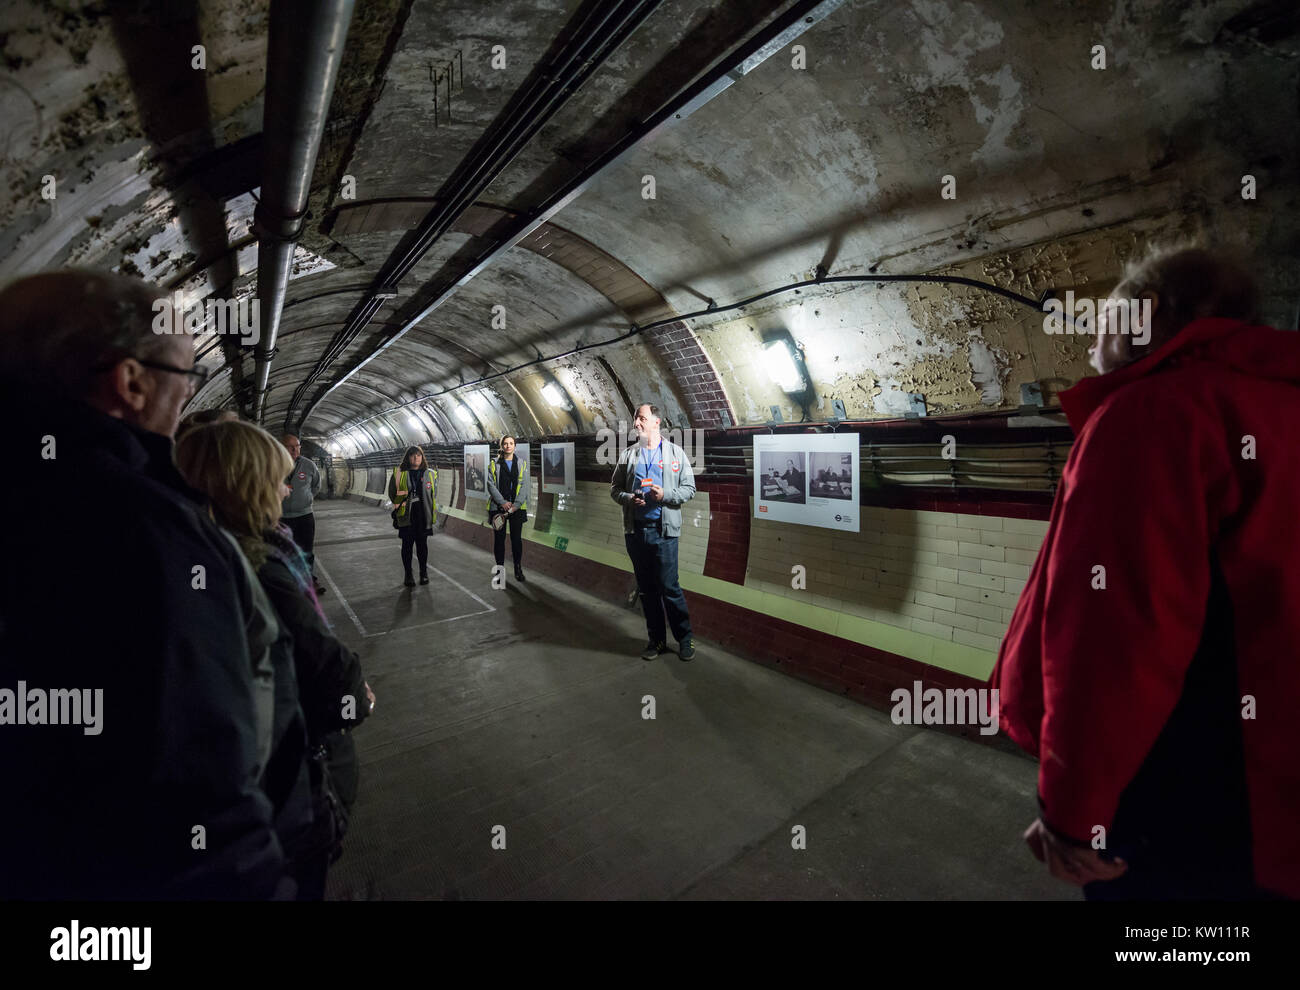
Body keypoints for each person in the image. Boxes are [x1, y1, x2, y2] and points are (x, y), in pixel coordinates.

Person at [990, 245, 1300, 900]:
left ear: (1144, 317)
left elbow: (1115, 640)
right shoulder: (1280, 409)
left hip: (1188, 782)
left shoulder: (1154, 413)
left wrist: (1074, 814)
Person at [0, 269, 286, 898]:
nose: (188, 394)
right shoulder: (142, 531)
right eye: (185, 374)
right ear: (129, 380)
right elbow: (197, 797)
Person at [176, 421, 375, 900]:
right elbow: (321, 662)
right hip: (288, 788)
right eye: (278, 480)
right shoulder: (260, 566)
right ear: (250, 486)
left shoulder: (204, 550)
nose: (288, 488)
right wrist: (355, 698)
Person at [610, 403, 698, 661]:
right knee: (647, 590)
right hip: (636, 533)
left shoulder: (675, 453)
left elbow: (689, 489)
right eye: (636, 419)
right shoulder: (628, 455)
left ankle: (685, 639)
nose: (636, 423)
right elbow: (614, 489)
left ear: (656, 422)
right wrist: (628, 497)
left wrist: (665, 495)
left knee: (670, 587)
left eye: (641, 418)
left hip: (664, 533)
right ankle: (656, 640)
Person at [281, 433, 326, 595]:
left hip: (304, 516)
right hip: (281, 517)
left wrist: (305, 499)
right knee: (284, 550)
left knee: (306, 550)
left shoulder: (308, 465)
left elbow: (316, 486)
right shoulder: (273, 464)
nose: (294, 449)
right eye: (290, 446)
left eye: (297, 446)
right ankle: (289, 582)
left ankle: (308, 581)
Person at [388, 445, 438, 587]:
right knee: (407, 546)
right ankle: (408, 575)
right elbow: (392, 493)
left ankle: (423, 573)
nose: (416, 458)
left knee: (422, 546)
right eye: (412, 455)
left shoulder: (430, 474)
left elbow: (433, 494)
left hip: (423, 516)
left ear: (422, 457)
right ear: (408, 457)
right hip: (406, 516)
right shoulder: (399, 474)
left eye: (418, 455)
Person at [486, 434, 529, 582]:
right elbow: (490, 485)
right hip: (498, 508)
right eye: (505, 443)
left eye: (511, 443)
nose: (508, 446)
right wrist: (503, 502)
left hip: (517, 509)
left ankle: (518, 569)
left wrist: (516, 505)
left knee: (517, 540)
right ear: (501, 446)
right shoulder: (494, 463)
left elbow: (525, 486)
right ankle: (499, 572)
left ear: (515, 446)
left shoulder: (522, 463)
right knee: (499, 541)